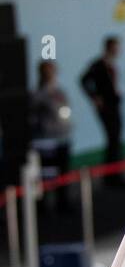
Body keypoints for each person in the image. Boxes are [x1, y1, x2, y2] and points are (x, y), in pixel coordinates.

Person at [30, 60, 72, 204]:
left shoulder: (59, 92)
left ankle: (62, 200)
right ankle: (43, 202)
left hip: (62, 137)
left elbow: (65, 111)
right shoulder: (37, 95)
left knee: (63, 171)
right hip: (46, 140)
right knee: (46, 173)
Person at [79, 35, 123, 171]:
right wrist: (94, 97)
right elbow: (83, 80)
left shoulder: (111, 65)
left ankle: (114, 171)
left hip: (114, 104)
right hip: (106, 106)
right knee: (112, 137)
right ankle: (111, 174)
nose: (118, 50)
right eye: (115, 47)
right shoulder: (98, 65)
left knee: (116, 137)